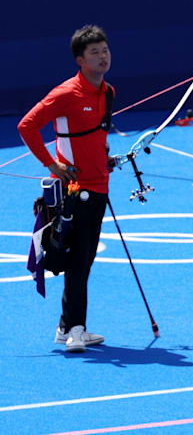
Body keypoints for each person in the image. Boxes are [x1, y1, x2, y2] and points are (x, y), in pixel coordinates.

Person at [18, 26, 115, 353]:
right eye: (94, 53)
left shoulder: (108, 92)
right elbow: (27, 125)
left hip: (100, 186)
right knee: (76, 261)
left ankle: (66, 326)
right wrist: (50, 163)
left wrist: (105, 159)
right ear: (79, 60)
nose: (103, 56)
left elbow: (94, 138)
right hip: (75, 190)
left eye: (105, 50)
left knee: (83, 260)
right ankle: (75, 330)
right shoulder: (65, 93)